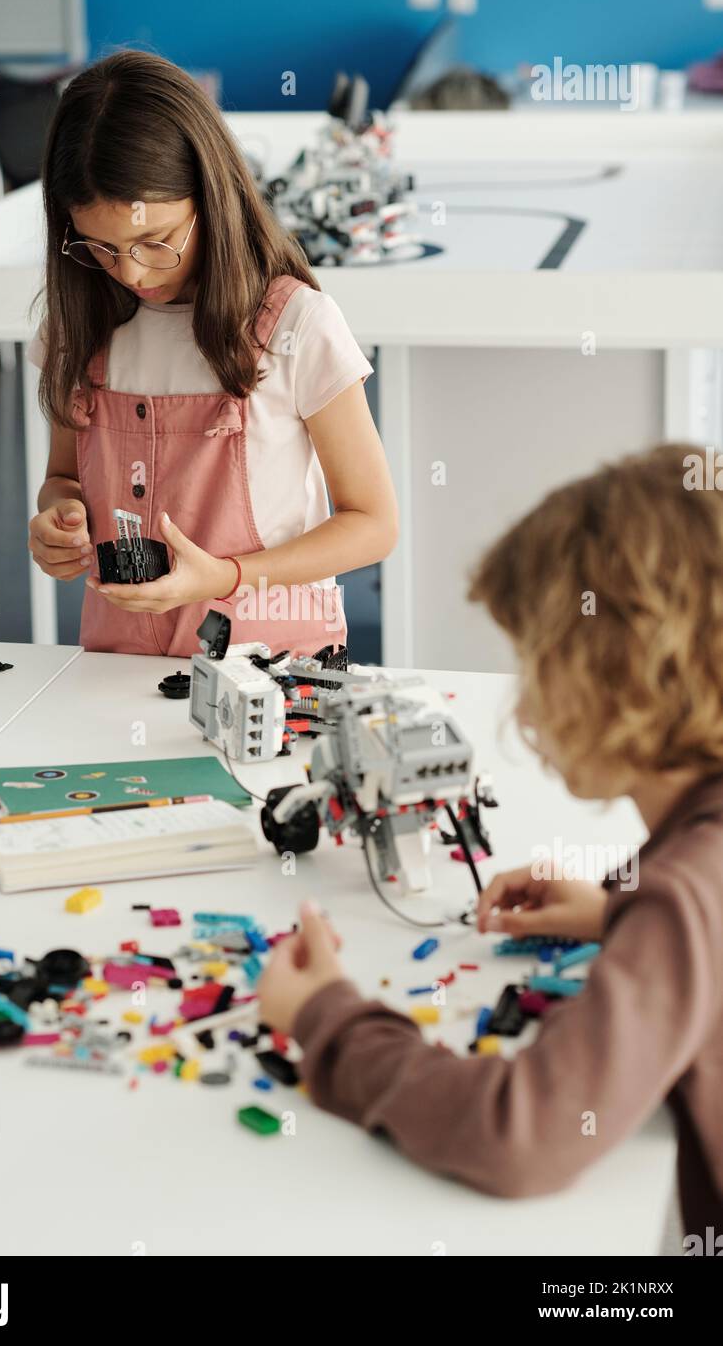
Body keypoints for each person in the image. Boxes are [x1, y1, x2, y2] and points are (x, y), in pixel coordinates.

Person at [259, 444, 723, 1242]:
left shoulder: (684, 896)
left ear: (617, 679)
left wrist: (329, 1020)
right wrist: (616, 914)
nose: (522, 702)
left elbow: (521, 1135)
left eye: (537, 664)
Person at [26, 51, 397, 656]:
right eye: (100, 247)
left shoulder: (295, 326)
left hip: (273, 669)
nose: (133, 272)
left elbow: (372, 523)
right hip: (118, 667)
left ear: (211, 198)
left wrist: (228, 578)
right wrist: (60, 521)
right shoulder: (79, 326)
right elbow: (62, 478)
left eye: (156, 240)